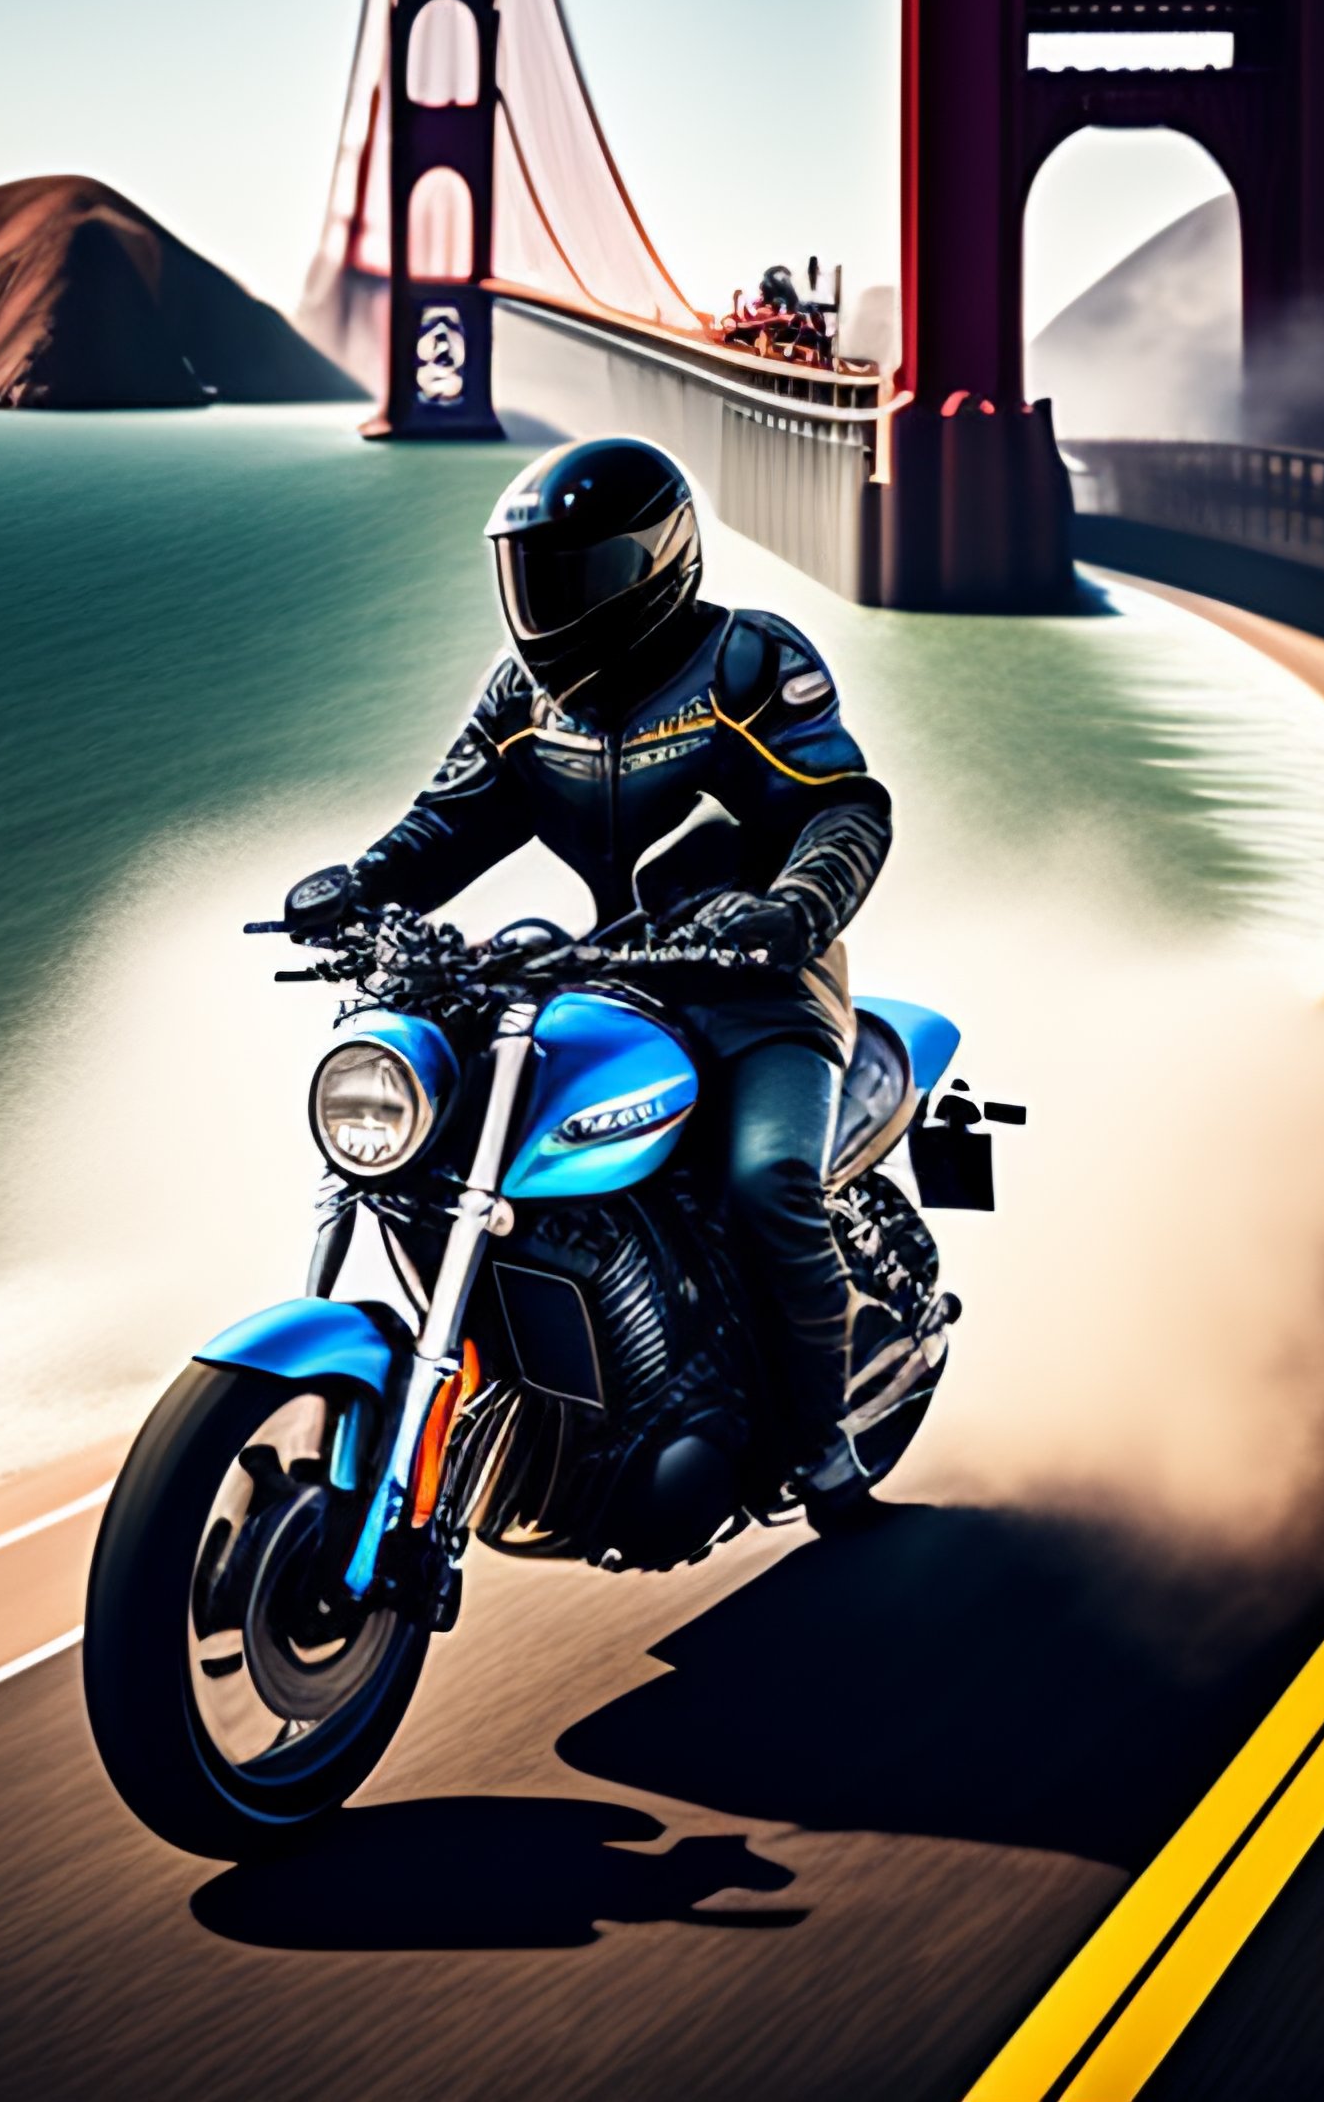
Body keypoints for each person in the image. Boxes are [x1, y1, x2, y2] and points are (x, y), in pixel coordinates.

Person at [283, 435, 897, 1523]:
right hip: (616, 974)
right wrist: (362, 885)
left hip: (759, 985)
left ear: (656, 562)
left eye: (581, 574)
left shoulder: (746, 664)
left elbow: (839, 805)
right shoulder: (525, 695)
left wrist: (792, 910)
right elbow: (448, 823)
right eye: (533, 575)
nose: (550, 602)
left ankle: (824, 1454)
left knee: (766, 1185)